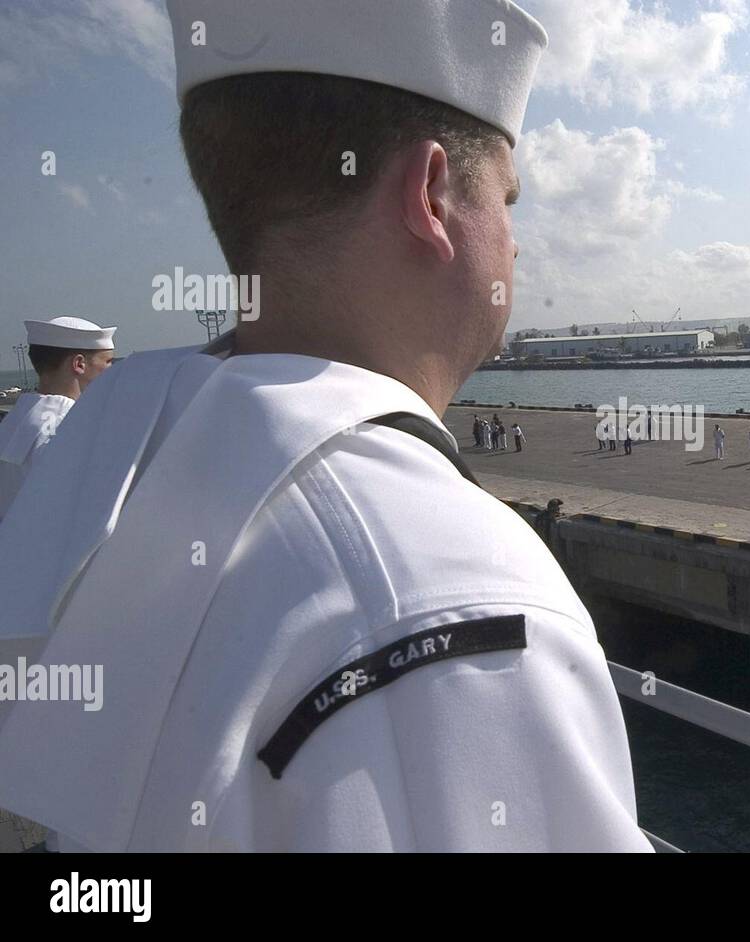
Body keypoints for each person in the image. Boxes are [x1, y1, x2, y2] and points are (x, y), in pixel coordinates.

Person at [0, 0, 648, 853]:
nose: (516, 246)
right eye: (506, 199)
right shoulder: (456, 587)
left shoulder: (116, 450)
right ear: (432, 196)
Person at [0, 317, 115, 521]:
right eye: (107, 362)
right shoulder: (69, 428)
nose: (112, 370)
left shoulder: (13, 422)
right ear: (79, 364)